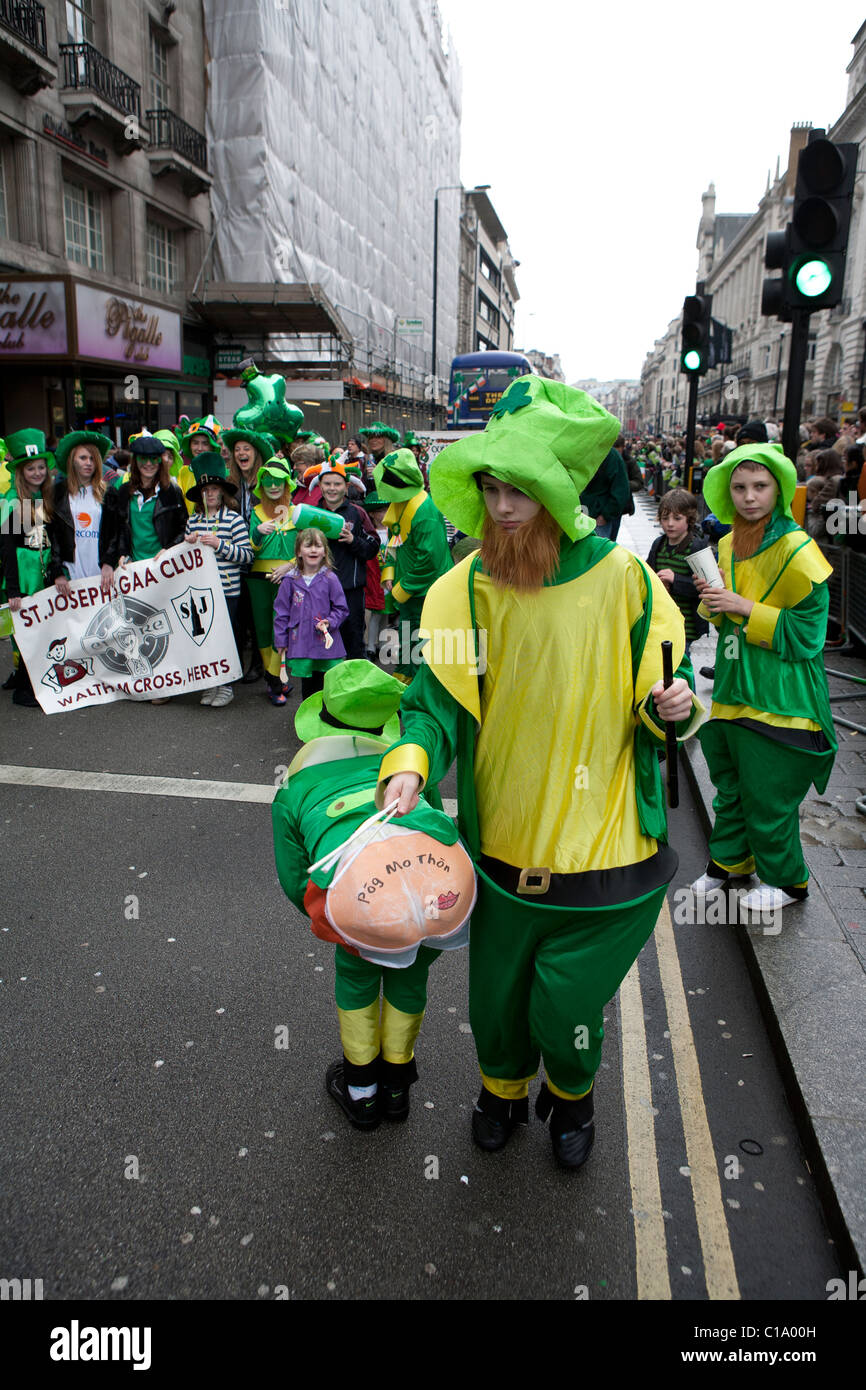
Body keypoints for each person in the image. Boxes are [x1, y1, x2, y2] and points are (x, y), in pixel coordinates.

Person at [377, 378, 699, 1169]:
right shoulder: (464, 590)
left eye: (518, 488)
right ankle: (500, 1090)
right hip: (504, 843)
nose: (501, 505)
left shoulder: (626, 581)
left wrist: (673, 706)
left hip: (610, 846)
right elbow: (432, 705)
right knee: (496, 1000)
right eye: (489, 486)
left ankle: (575, 1094)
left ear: (555, 491)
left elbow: (659, 703)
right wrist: (410, 767)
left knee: (568, 1006)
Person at [271, 662, 474, 1129]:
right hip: (422, 908)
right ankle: (398, 1089)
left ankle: (362, 1094)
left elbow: (295, 879)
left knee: (357, 984)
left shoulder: (294, 789)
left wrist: (332, 919)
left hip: (359, 909)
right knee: (409, 980)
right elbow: (435, 832)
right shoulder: (408, 772)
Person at [690, 442, 837, 915]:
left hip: (783, 697)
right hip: (735, 688)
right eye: (739, 487)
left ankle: (788, 882)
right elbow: (724, 623)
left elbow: (809, 638)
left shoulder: (800, 550)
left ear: (778, 489)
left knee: (769, 796)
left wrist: (744, 607)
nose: (749, 497)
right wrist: (713, 600)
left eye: (760, 486)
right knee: (731, 787)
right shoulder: (729, 544)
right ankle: (727, 862)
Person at [1, 429, 71, 707]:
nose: (37, 472)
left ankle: (25, 677)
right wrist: (14, 589)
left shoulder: (44, 497)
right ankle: (26, 688)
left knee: (41, 628)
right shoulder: (13, 501)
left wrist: (56, 572)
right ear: (20, 471)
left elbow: (48, 541)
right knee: (26, 630)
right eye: (30, 468)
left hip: (40, 573)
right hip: (23, 575)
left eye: (41, 466)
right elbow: (8, 550)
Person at [373, 447, 452, 680]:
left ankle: (419, 692)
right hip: (410, 591)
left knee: (422, 643)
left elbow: (429, 561)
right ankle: (405, 683)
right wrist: (388, 573)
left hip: (425, 593)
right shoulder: (401, 502)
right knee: (408, 640)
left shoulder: (424, 511)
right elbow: (393, 543)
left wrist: (400, 588)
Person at [183, 452, 254, 708]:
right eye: (206, 490)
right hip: (201, 592)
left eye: (214, 489)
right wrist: (187, 544)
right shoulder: (194, 521)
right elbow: (185, 559)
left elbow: (247, 556)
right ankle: (212, 682)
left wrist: (220, 545)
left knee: (228, 637)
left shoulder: (234, 520)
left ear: (222, 492)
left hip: (228, 589)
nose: (210, 494)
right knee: (207, 637)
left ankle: (226, 685)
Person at [302, 460, 379, 660]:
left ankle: (355, 689)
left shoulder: (357, 512)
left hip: (350, 591)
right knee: (321, 644)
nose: (332, 489)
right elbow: (300, 550)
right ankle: (323, 690)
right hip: (319, 592)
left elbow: (373, 547)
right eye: (327, 484)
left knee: (353, 643)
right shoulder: (312, 514)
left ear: (346, 486)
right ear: (320, 486)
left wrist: (353, 540)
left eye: (337, 484)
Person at [273, 527, 349, 700]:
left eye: (318, 546)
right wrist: (280, 640)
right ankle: (309, 721)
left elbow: (341, 608)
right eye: (308, 546)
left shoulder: (330, 579)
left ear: (324, 552)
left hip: (326, 645)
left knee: (328, 687)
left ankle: (328, 720)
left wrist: (330, 621)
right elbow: (281, 613)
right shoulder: (289, 581)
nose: (313, 550)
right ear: (299, 552)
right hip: (302, 642)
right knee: (308, 688)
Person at [248, 459, 298, 705]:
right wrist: (258, 532)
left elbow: (303, 547)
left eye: (279, 482)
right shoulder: (255, 513)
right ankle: (274, 679)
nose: (274, 486)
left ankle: (274, 678)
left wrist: (290, 565)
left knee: (283, 627)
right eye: (269, 482)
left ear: (286, 484)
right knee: (263, 628)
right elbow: (249, 548)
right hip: (257, 577)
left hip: (286, 579)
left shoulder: (297, 512)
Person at [646, 488, 709, 658]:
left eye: (677, 518)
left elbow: (706, 588)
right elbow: (648, 574)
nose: (670, 524)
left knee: (681, 662)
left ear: (689, 519)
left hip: (685, 624)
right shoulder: (659, 544)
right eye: (665, 518)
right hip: (662, 620)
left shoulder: (697, 547)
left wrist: (676, 580)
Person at [52, 430, 113, 584]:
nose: (88, 463)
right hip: (70, 575)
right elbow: (51, 535)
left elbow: (116, 532)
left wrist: (109, 562)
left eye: (93, 458)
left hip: (102, 574)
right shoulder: (57, 493)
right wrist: (57, 571)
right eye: (83, 458)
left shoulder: (109, 493)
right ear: (73, 460)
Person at [579, 443, 632, 540]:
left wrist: (605, 516)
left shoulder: (611, 455)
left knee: (598, 551)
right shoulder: (581, 451)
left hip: (597, 517)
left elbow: (621, 490)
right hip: (583, 513)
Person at [805, 448, 844, 541]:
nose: (817, 468)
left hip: (824, 523)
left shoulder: (832, 481)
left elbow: (817, 503)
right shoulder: (839, 478)